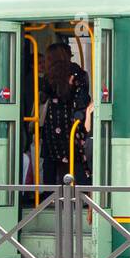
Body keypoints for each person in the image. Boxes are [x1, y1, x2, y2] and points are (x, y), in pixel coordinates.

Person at [38, 42, 92, 185]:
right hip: (71, 121)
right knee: (76, 157)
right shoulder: (77, 72)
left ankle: (50, 195)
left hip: (52, 122)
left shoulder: (48, 76)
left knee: (51, 161)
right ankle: (82, 191)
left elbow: (42, 97)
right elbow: (83, 98)